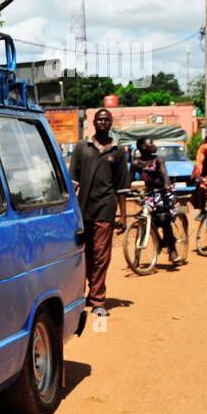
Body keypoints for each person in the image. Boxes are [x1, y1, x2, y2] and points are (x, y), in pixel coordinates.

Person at [69, 109, 128, 316]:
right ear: (93, 122)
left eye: (106, 120)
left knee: (101, 255)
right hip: (83, 209)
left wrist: (122, 215)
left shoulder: (117, 151)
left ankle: (98, 300)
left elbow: (121, 186)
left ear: (111, 123)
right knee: (85, 253)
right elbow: (72, 183)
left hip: (106, 208)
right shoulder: (81, 148)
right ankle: (81, 294)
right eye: (99, 119)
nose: (103, 122)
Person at [133, 137, 180, 265]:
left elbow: (165, 176)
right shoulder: (136, 163)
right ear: (143, 147)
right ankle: (156, 242)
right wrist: (127, 190)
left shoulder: (158, 160)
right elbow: (128, 179)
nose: (154, 145)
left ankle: (173, 249)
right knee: (145, 217)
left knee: (163, 218)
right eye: (151, 143)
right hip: (148, 194)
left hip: (162, 193)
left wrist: (166, 186)